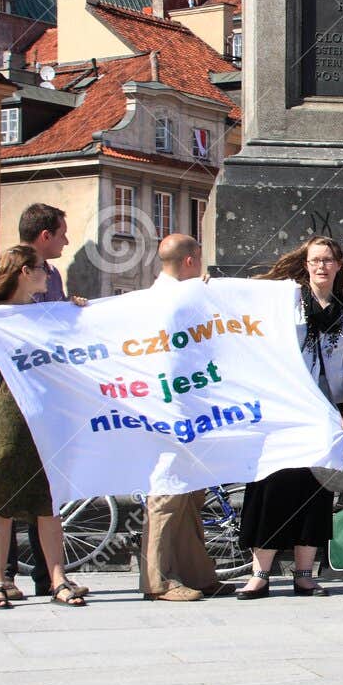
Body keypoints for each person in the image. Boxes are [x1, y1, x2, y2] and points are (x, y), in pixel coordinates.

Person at [236, 236, 343, 600]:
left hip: (325, 410)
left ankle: (305, 573)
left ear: (339, 265)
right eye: (314, 260)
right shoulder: (287, 302)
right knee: (270, 484)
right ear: (305, 265)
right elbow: (242, 303)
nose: (321, 266)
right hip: (285, 406)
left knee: (315, 490)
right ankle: (260, 573)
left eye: (328, 259)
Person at [0, 246, 89, 608]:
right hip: (11, 409)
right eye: (41, 270)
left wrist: (79, 315)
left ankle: (57, 577)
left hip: (47, 409)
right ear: (22, 272)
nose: (48, 275)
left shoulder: (47, 313)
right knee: (3, 491)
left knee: (48, 496)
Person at [0, 203, 72, 598]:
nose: (66, 240)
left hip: (44, 392)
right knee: (10, 480)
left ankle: (50, 576)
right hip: (7, 392)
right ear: (44, 235)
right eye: (62, 233)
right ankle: (3, 575)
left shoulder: (54, 276)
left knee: (43, 485)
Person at [138, 235, 238, 603]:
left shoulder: (162, 296)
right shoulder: (167, 300)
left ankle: (197, 574)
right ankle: (158, 581)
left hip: (189, 408)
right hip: (171, 410)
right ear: (192, 261)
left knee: (189, 494)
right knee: (166, 493)